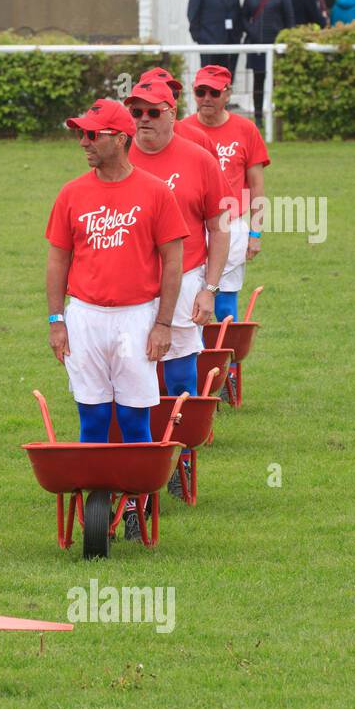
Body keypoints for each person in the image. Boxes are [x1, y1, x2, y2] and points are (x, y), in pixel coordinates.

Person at [45, 99, 187, 541]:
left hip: (136, 317)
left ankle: (136, 504)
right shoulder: (71, 193)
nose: (83, 142)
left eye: (92, 135)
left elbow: (173, 262)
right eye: (81, 134)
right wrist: (56, 320)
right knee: (90, 414)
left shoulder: (156, 192)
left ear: (119, 138)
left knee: (133, 416)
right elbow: (57, 260)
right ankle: (97, 507)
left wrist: (163, 324)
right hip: (84, 315)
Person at [124, 79, 230, 499]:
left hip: (186, 277)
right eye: (136, 112)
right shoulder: (118, 157)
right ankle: (139, 457)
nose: (143, 120)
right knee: (134, 370)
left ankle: (180, 458)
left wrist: (210, 288)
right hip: (131, 282)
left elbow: (218, 226)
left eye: (152, 112)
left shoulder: (199, 159)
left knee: (180, 368)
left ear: (172, 113)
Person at [180, 65, 270, 404]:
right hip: (189, 225)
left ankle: (226, 368)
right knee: (190, 298)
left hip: (230, 225)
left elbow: (257, 184)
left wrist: (256, 232)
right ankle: (197, 370)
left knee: (225, 297)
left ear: (227, 95)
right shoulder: (181, 129)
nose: (206, 99)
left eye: (214, 93)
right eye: (200, 92)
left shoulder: (245, 130)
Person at [242, 0, 293, 119]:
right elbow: (243, 16)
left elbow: (289, 18)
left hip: (275, 43)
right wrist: (252, 31)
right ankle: (258, 117)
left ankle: (278, 116)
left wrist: (285, 39)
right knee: (258, 81)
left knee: (277, 81)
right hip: (256, 44)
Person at [138, 67, 214, 152]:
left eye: (173, 93)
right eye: (161, 93)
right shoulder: (125, 142)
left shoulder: (198, 138)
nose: (171, 99)